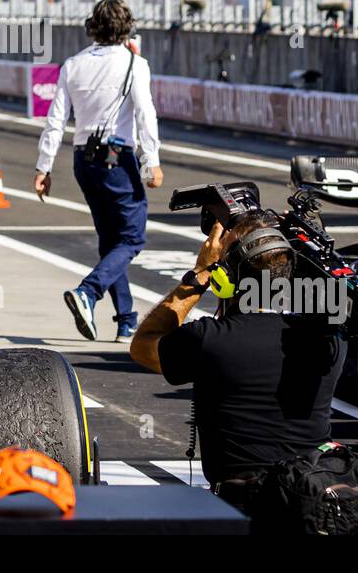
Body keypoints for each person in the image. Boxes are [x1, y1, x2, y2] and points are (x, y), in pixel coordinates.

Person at [129, 209, 344, 513]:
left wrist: (201, 273)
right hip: (315, 502)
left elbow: (144, 345)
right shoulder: (329, 341)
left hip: (243, 508)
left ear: (226, 278)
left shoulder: (211, 340)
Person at [36, 0, 163, 342]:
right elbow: (145, 114)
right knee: (132, 238)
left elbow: (55, 119)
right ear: (127, 27)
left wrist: (44, 167)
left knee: (110, 238)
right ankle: (88, 292)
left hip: (83, 159)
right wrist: (152, 159)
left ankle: (126, 319)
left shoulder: (73, 64)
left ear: (93, 26)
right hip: (117, 157)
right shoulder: (134, 64)